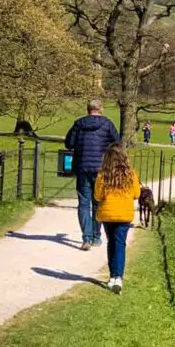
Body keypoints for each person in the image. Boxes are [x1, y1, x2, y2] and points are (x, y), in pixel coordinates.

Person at [65, 100, 119, 251]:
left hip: (82, 167)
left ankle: (86, 238)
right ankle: (96, 236)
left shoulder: (78, 124)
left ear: (88, 109)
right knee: (98, 202)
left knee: (83, 203)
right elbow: (118, 144)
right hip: (100, 169)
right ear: (101, 109)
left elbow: (69, 143)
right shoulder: (107, 124)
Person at [95, 143, 140, 295]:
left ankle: (112, 276)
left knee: (111, 243)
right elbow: (137, 194)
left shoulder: (103, 175)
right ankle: (118, 277)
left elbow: (97, 195)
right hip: (124, 215)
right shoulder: (131, 174)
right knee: (120, 244)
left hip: (108, 215)